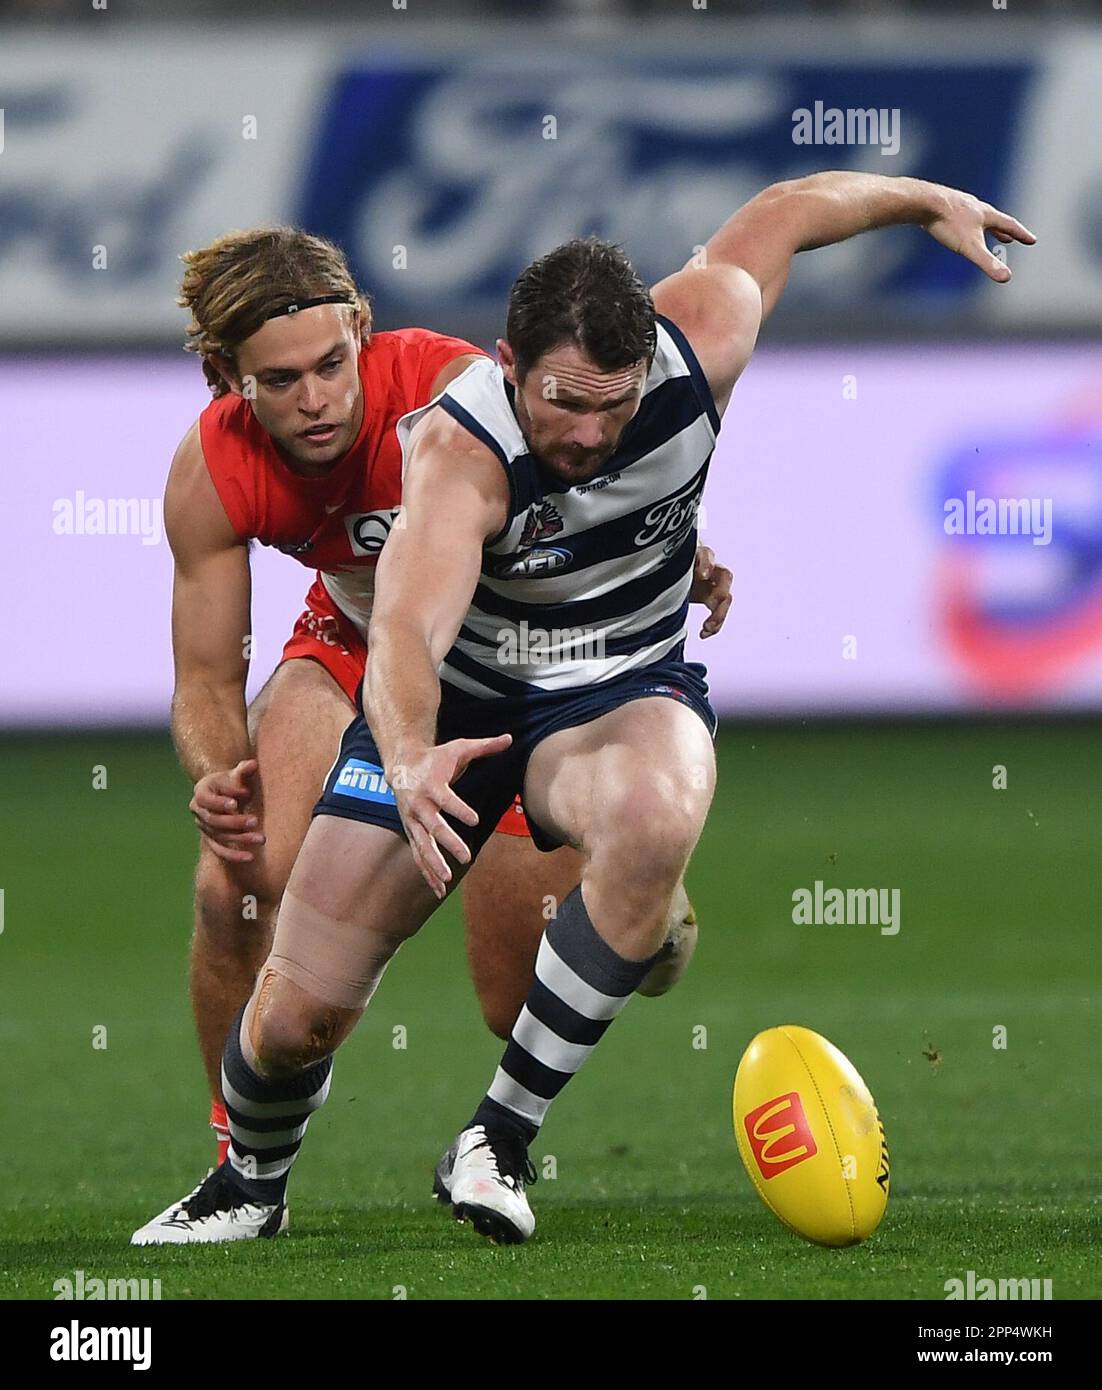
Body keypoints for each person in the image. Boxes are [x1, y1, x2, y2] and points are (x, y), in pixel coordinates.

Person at [133, 171, 1033, 1246]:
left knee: (609, 868)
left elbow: (788, 211)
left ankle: (501, 1130)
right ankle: (245, 1175)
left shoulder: (688, 341)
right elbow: (403, 631)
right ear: (511, 370)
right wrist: (393, 757)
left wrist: (926, 201)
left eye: (616, 404)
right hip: (438, 681)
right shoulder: (444, 446)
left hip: (608, 685)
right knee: (283, 989)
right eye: (563, 404)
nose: (590, 434)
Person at [163, 228, 726, 1180]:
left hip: (492, 667)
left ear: (361, 329)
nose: (316, 400)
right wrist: (219, 769)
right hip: (349, 646)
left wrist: (681, 557)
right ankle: (240, 1163)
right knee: (238, 875)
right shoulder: (211, 472)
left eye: (331, 365)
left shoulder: (451, 392)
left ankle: (645, 897)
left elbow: (592, 475)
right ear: (227, 378)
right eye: (282, 380)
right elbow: (207, 681)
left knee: (513, 999)